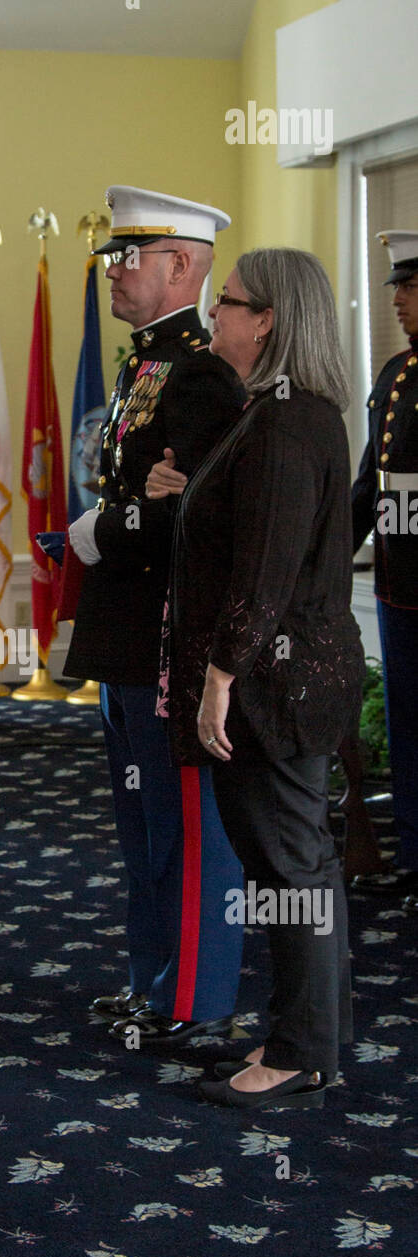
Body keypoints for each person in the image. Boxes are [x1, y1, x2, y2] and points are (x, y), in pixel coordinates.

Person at [149, 248, 364, 1109]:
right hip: (297, 675)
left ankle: (298, 1051)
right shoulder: (288, 413)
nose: (216, 317)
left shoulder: (282, 424)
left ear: (268, 319)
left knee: (287, 869)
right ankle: (314, 1033)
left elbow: (265, 573)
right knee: (301, 859)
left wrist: (217, 678)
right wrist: (189, 488)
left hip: (272, 685)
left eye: (231, 302)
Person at [61, 186, 246, 1047]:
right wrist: (139, 498)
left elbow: (203, 520)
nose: (113, 271)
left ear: (181, 265)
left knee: (184, 826)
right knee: (142, 827)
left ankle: (197, 994)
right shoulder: (146, 366)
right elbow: (148, 490)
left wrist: (114, 520)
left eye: (128, 256)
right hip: (127, 635)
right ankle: (151, 979)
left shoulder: (202, 375)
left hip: (169, 639)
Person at [351, 231, 418, 913]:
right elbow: (374, 484)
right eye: (397, 285)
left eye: (410, 285)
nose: (397, 299)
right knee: (408, 724)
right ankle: (413, 854)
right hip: (401, 587)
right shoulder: (396, 373)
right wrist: (326, 551)